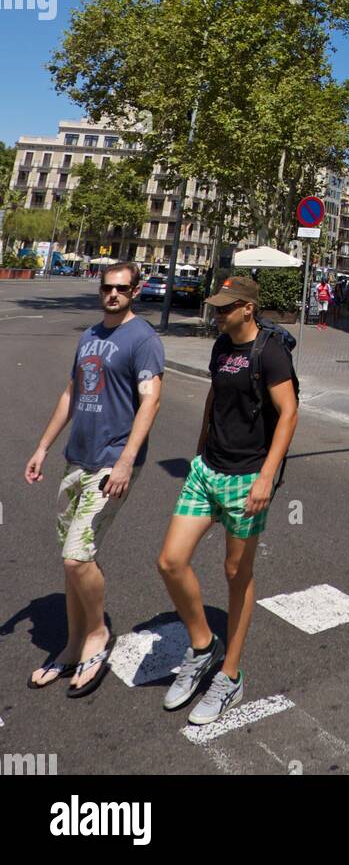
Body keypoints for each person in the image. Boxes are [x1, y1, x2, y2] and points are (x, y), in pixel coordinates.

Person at [157, 277, 299, 724]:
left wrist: (267, 476)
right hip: (207, 471)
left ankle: (230, 675)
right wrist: (199, 450)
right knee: (170, 561)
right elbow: (214, 397)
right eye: (216, 307)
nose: (217, 313)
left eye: (225, 307)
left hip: (246, 477)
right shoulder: (222, 346)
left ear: (248, 309)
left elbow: (290, 412)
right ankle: (203, 646)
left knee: (236, 573)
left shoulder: (271, 352)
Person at [24, 261, 164, 696]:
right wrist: (44, 446)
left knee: (76, 557)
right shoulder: (89, 337)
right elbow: (71, 393)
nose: (113, 295)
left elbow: (151, 401)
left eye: (122, 288)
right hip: (77, 460)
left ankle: (98, 634)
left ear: (136, 291)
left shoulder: (144, 339)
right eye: (107, 288)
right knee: (73, 559)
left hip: (110, 463)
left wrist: (126, 460)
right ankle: (71, 645)